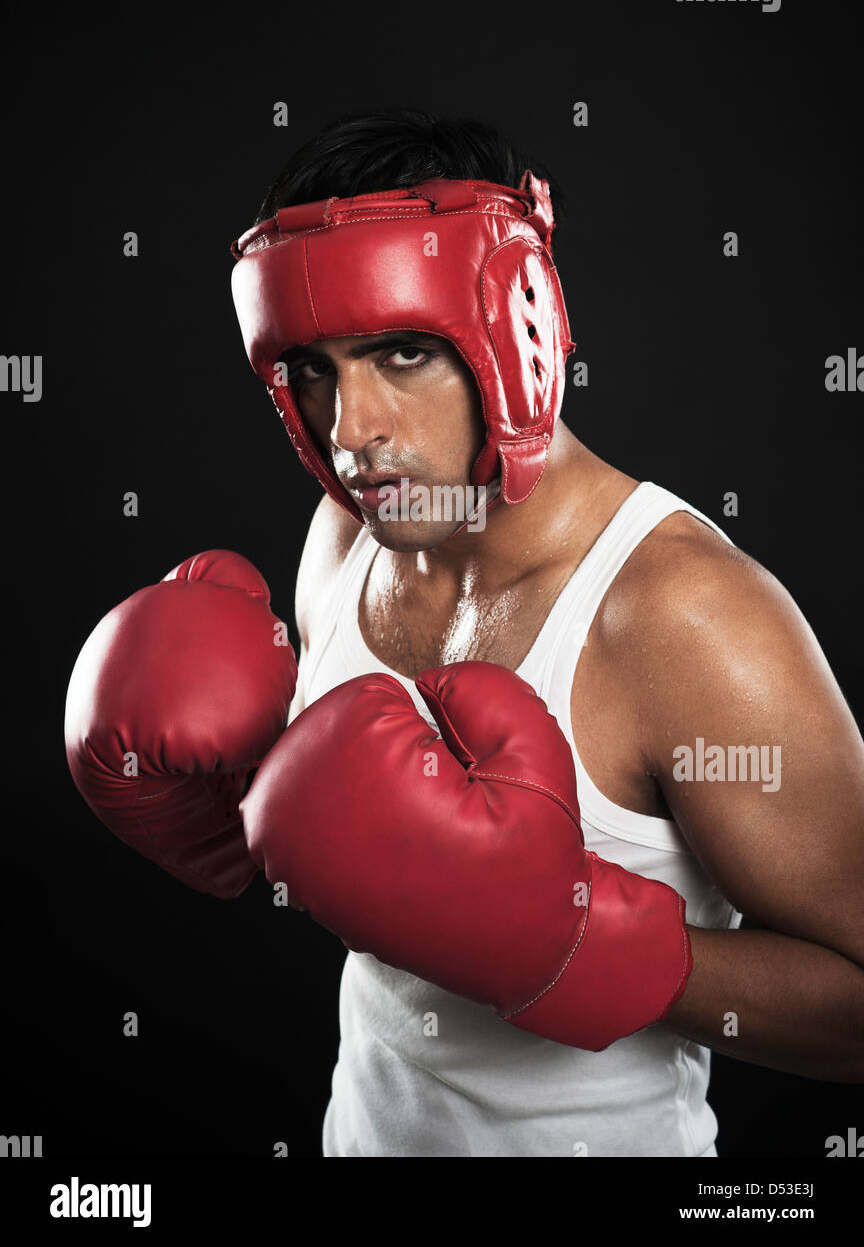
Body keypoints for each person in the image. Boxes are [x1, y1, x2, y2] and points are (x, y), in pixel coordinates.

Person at [66, 109, 864, 1159]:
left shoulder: (680, 612)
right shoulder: (344, 540)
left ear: (518, 330)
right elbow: (366, 841)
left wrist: (574, 944)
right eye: (313, 367)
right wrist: (246, 799)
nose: (351, 429)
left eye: (400, 352)